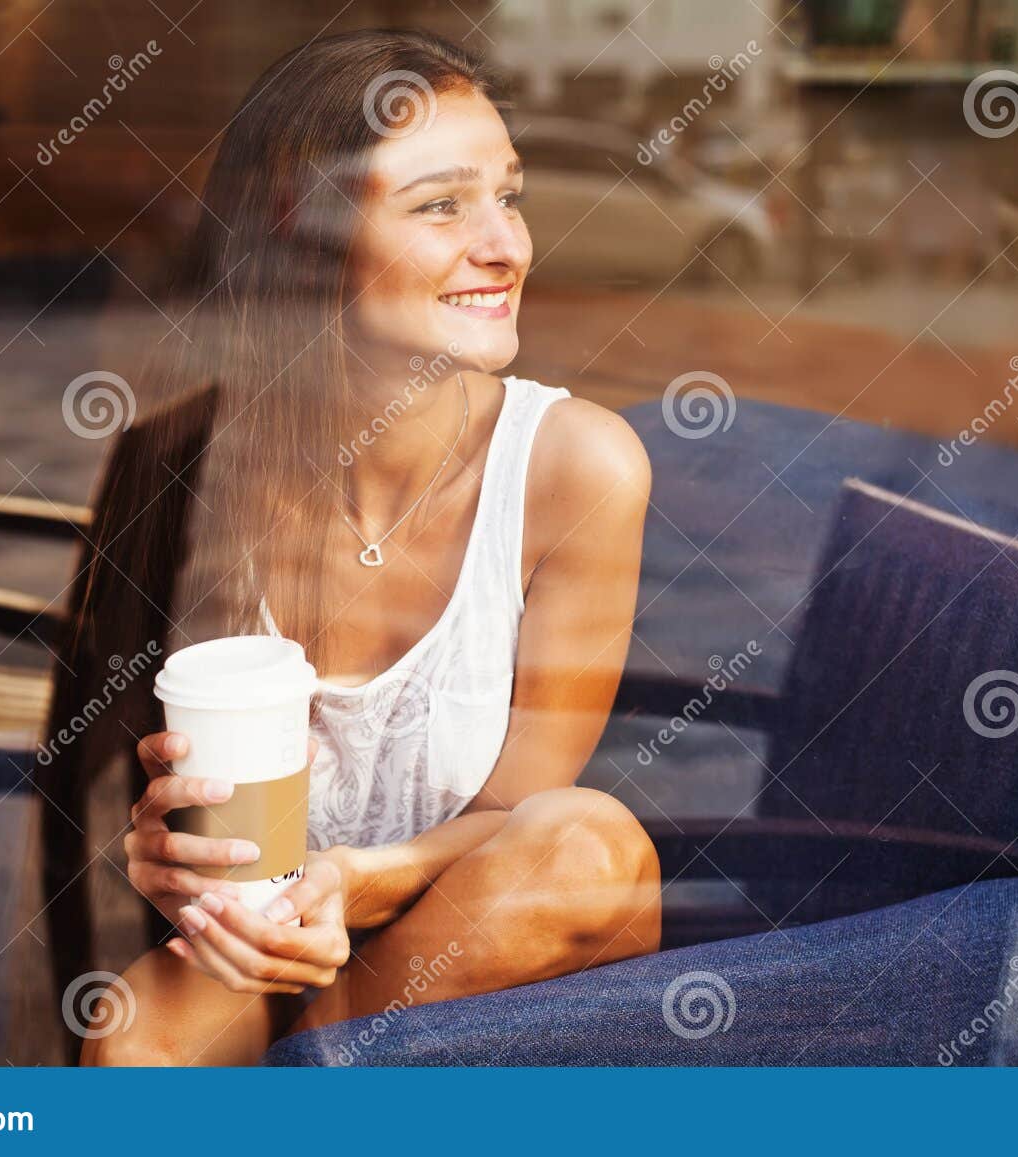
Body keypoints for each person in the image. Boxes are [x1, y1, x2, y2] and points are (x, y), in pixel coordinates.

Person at [82, 28, 661, 1066]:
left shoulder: (577, 466)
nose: (506, 246)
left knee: (583, 841)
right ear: (297, 225)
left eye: (508, 196)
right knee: (136, 1032)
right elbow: (116, 786)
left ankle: (307, 1078)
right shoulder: (181, 465)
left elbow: (518, 817)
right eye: (442, 204)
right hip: (290, 941)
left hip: (497, 954)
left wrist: (358, 881)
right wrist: (159, 849)